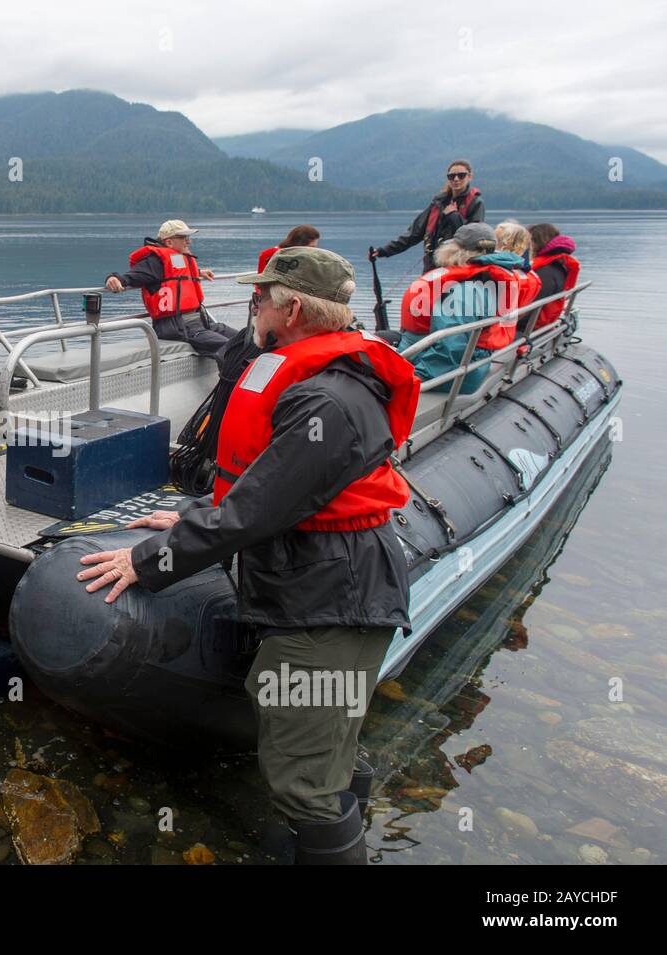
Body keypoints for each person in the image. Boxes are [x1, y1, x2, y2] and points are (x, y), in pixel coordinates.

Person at [77, 246, 419, 864]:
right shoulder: (302, 378)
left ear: (290, 309)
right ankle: (321, 833)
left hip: (333, 596)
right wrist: (192, 511)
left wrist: (149, 561)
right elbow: (266, 482)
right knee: (318, 747)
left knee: (302, 776)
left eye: (261, 295)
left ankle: (324, 842)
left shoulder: (328, 400)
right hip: (313, 580)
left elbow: (256, 510)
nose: (252, 302)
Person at [398, 222, 531, 392]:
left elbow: (452, 347)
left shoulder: (467, 290)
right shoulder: (479, 280)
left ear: (456, 249)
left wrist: (413, 378)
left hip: (443, 375)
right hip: (437, 362)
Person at [105, 219, 238, 356]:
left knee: (244, 340)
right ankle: (233, 376)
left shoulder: (178, 258)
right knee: (230, 349)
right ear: (169, 242)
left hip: (202, 322)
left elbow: (177, 276)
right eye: (184, 238)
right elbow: (131, 277)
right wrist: (113, 278)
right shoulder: (154, 262)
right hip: (178, 327)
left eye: (188, 237)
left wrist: (198, 272)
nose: (189, 241)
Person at [370, 159, 484, 273]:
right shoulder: (438, 204)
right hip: (432, 267)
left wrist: (454, 216)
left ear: (470, 177)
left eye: (461, 175)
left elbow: (473, 240)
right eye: (452, 176)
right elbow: (412, 235)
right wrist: (383, 251)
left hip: (458, 268)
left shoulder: (476, 203)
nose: (456, 179)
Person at [526, 223, 581, 331]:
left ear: (537, 243)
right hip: (541, 321)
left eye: (529, 243)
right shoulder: (557, 266)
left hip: (531, 326)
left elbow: (530, 310)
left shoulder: (545, 272)